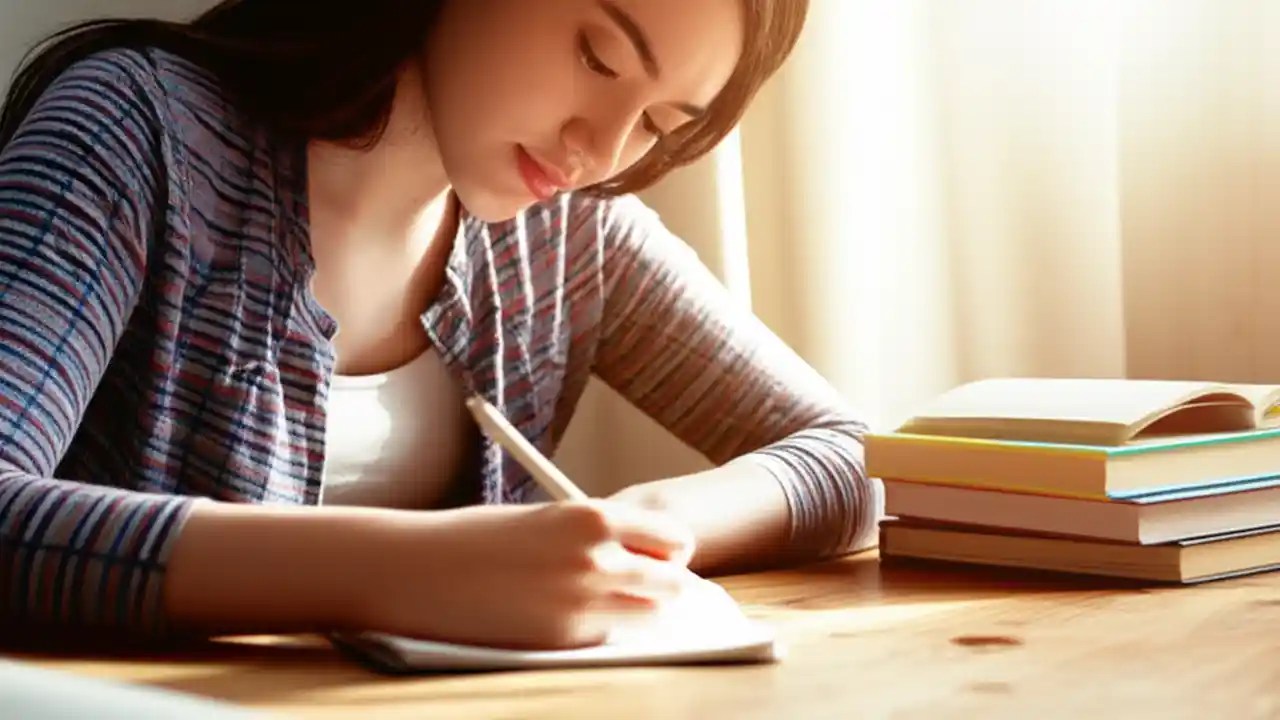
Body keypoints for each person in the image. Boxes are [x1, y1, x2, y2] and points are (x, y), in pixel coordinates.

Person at [0, 0, 880, 651]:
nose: (603, 151)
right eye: (600, 58)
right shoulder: (135, 132)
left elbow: (853, 457)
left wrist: (629, 532)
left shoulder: (566, 236)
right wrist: (398, 572)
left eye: (657, 123)